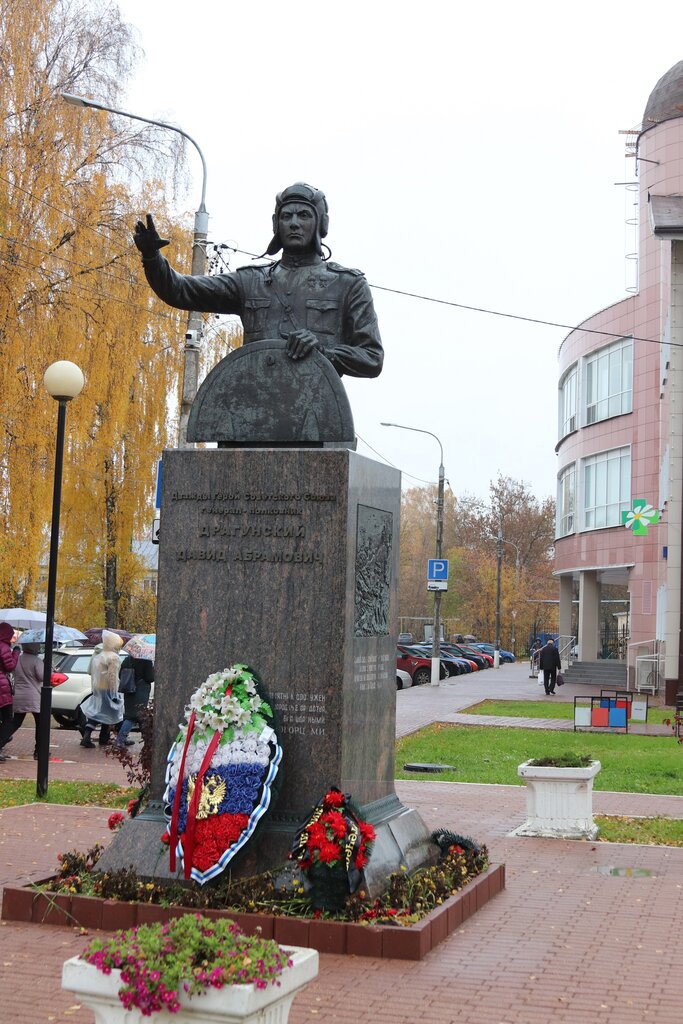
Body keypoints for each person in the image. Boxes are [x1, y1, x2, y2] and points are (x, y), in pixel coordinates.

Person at [133, 182, 384, 380]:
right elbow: (181, 290)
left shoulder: (347, 285)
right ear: (276, 224)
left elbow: (372, 358)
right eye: (287, 216)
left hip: (319, 416)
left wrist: (324, 351)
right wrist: (152, 257)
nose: (294, 223)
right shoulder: (251, 281)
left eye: (304, 215)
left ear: (320, 224)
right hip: (252, 406)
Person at [80, 630, 123, 748]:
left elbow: (93, 673)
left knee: (99, 712)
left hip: (98, 688)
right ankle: (106, 737)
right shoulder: (114, 657)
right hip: (108, 689)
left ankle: (95, 736)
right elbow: (112, 676)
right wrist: (114, 693)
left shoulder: (98, 656)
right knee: (110, 712)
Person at [8, 641, 44, 759]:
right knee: (40, 724)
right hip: (34, 696)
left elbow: (12, 672)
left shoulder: (17, 659)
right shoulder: (36, 661)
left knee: (15, 722)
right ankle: (39, 750)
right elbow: (42, 677)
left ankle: (2, 740)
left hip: (19, 694)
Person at [115, 655, 154, 748]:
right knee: (135, 716)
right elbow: (150, 678)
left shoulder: (127, 659)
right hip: (140, 691)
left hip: (129, 690)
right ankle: (120, 740)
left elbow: (120, 675)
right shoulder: (146, 661)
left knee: (133, 715)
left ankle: (147, 740)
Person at [0, 622, 19, 760]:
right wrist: (16, 653)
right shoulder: (4, 647)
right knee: (8, 719)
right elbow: (10, 666)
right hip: (2, 688)